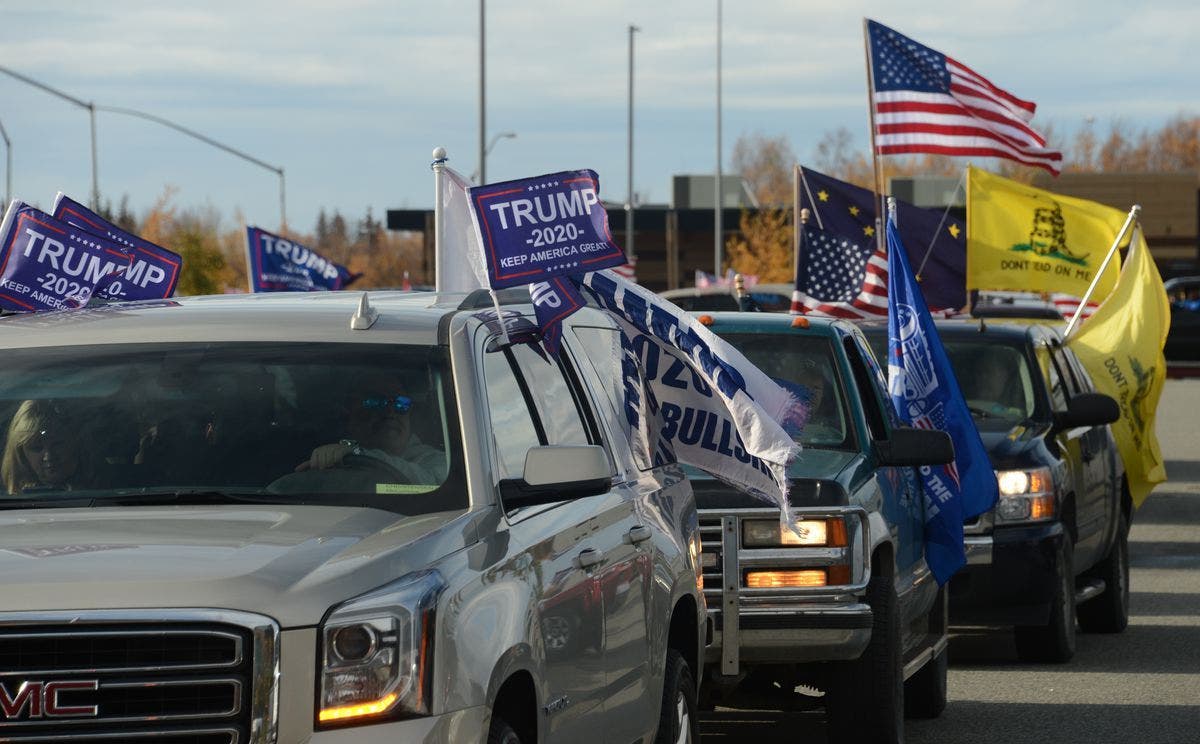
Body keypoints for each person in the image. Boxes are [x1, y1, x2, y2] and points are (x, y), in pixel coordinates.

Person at [295, 374, 447, 485]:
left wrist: (358, 455)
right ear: (348, 413)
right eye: (375, 402)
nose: (390, 412)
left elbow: (433, 483)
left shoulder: (437, 461)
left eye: (401, 403)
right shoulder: (324, 459)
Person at [1, 400, 90, 494]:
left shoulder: (103, 493)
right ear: (21, 454)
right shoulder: (8, 503)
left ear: (74, 443)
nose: (49, 456)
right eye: (36, 448)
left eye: (57, 445)